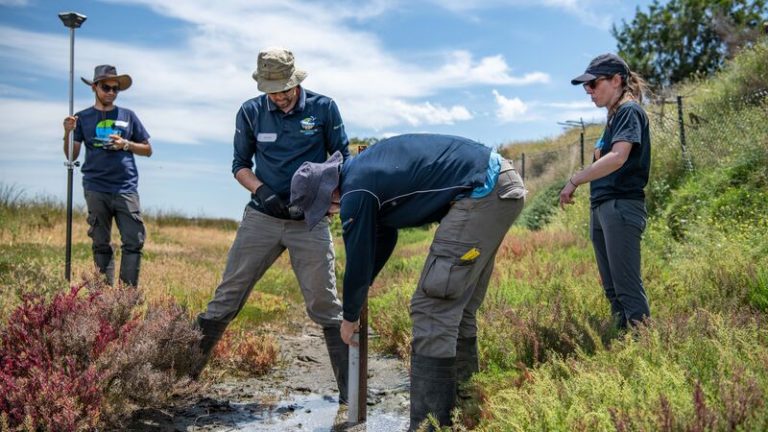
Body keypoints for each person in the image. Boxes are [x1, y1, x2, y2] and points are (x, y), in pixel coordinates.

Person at [289, 134, 526, 431]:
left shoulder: (355, 191)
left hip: (482, 193)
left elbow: (358, 258)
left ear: (328, 195)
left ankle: (429, 425)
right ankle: (467, 411)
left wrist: (348, 317)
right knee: (457, 308)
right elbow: (385, 235)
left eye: (324, 211)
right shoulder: (363, 171)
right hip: (498, 185)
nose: (330, 215)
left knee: (432, 307)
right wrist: (366, 286)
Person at [193, 48, 351, 404]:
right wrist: (261, 191)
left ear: (296, 81)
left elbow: (343, 158)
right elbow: (239, 164)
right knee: (226, 298)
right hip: (262, 219)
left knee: (326, 304)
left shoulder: (324, 109)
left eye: (284, 88)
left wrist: (329, 199)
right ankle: (181, 380)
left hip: (308, 222)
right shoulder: (250, 112)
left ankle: (350, 394)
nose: (279, 96)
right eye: (272, 90)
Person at [559, 53, 651, 329]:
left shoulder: (629, 111)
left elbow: (618, 157)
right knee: (612, 287)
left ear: (616, 80)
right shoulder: (613, 118)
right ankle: (623, 343)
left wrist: (575, 180)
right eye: (586, 86)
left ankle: (644, 349)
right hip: (603, 207)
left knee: (626, 286)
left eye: (593, 84)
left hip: (620, 206)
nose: (588, 91)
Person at [62, 65, 153, 287]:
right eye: (106, 87)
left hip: (126, 187)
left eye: (115, 89)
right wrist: (67, 132)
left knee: (133, 241)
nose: (111, 92)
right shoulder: (82, 118)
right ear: (95, 87)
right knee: (100, 242)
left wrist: (126, 144)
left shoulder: (128, 116)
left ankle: (125, 298)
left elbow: (147, 149)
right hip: (95, 187)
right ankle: (102, 299)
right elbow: (72, 154)